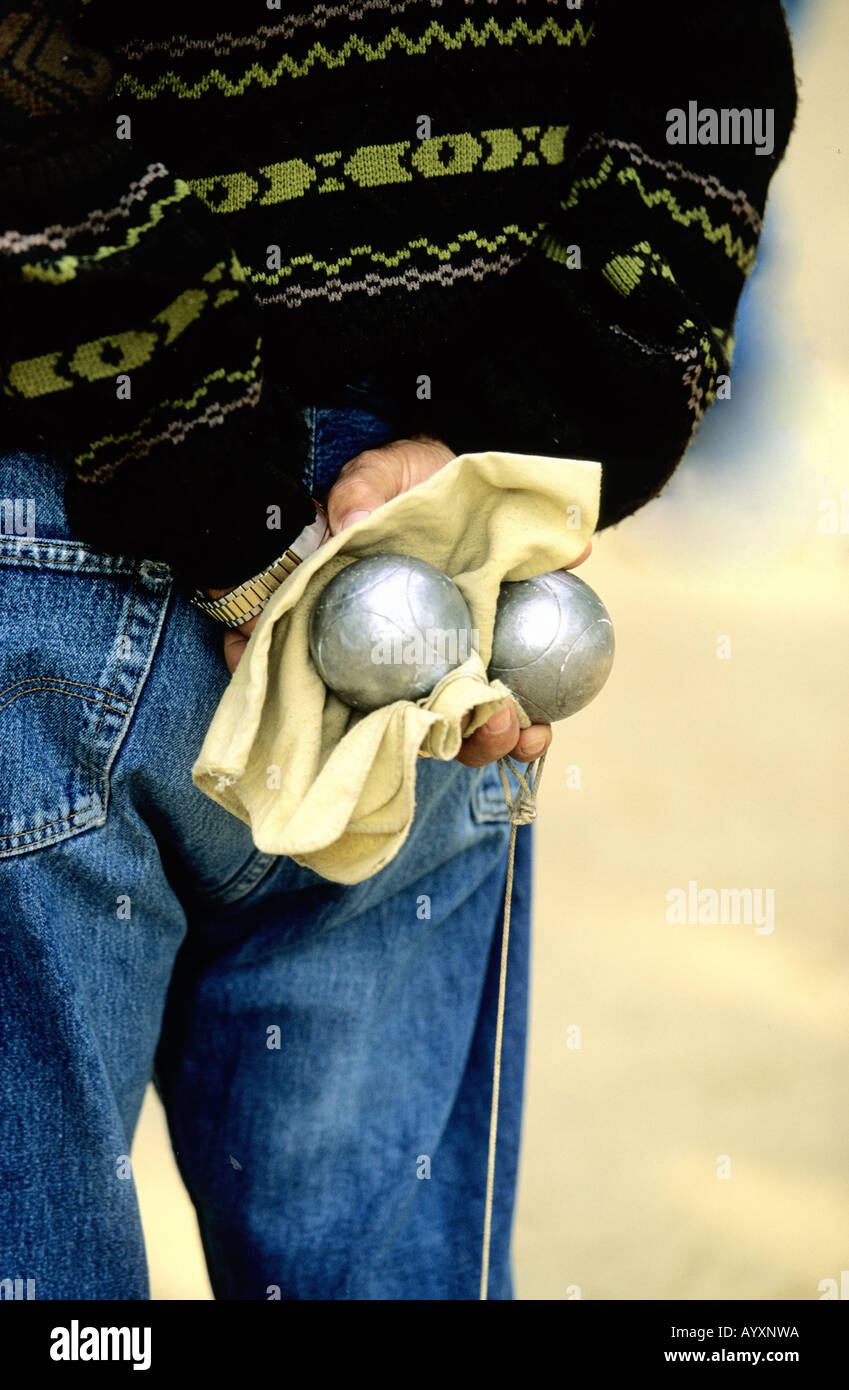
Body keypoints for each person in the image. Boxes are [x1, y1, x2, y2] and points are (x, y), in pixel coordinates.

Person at [0, 1, 796, 1299]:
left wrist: (218, 471)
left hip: (80, 530)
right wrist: (523, 434)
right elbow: (709, 65)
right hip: (419, 575)